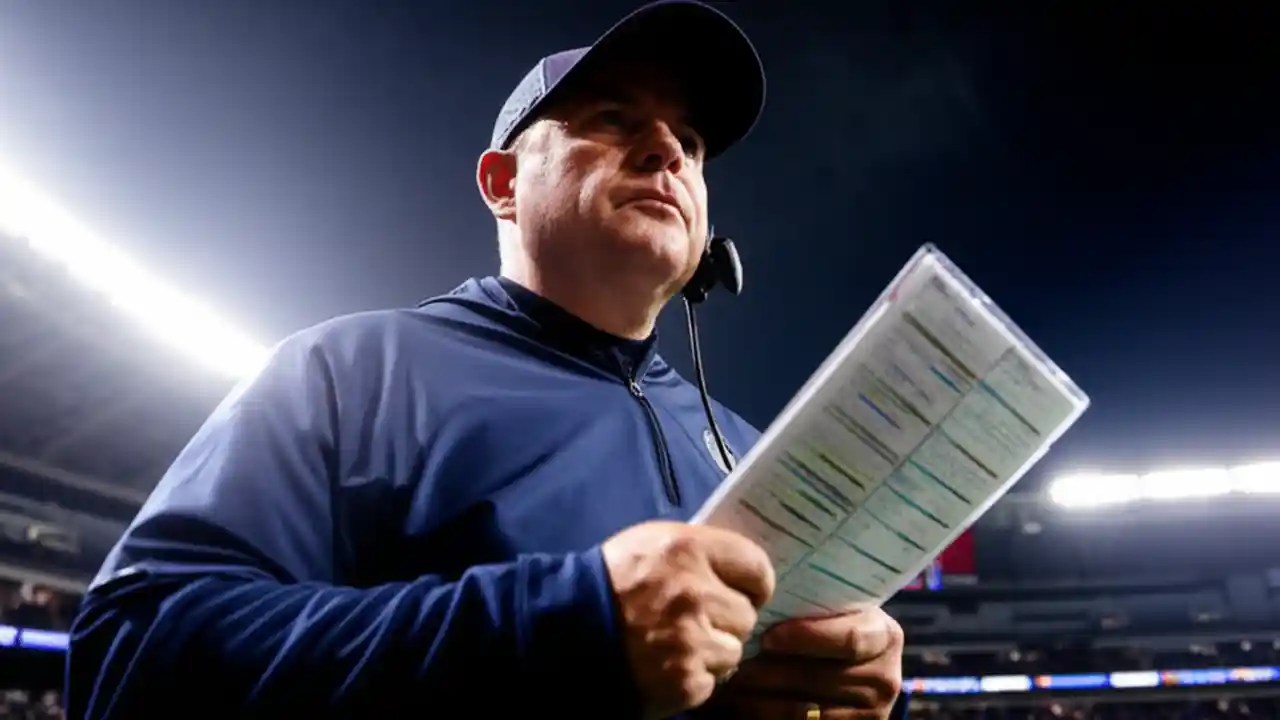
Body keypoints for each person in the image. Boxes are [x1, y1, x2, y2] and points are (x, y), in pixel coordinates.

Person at [65, 2, 908, 718]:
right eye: (614, 119)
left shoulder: (753, 448)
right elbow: (127, 657)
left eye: (688, 143)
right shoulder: (354, 372)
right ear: (502, 183)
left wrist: (835, 681)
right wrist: (566, 627)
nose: (665, 153)